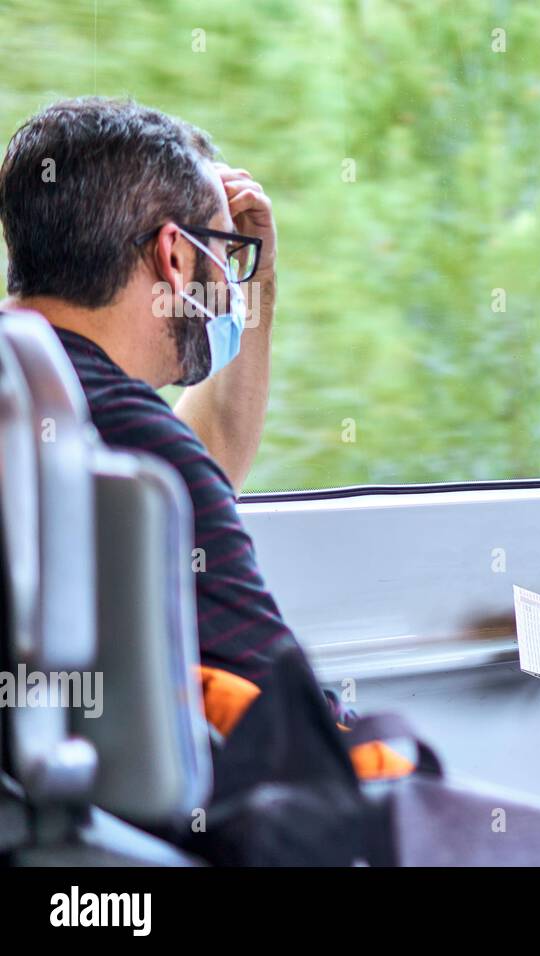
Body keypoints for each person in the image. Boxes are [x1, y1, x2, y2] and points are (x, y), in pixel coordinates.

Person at [0, 97, 404, 777]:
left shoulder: (44, 397)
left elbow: (204, 458)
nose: (234, 286)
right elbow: (293, 731)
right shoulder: (138, 446)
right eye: (227, 256)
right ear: (175, 259)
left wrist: (259, 284)